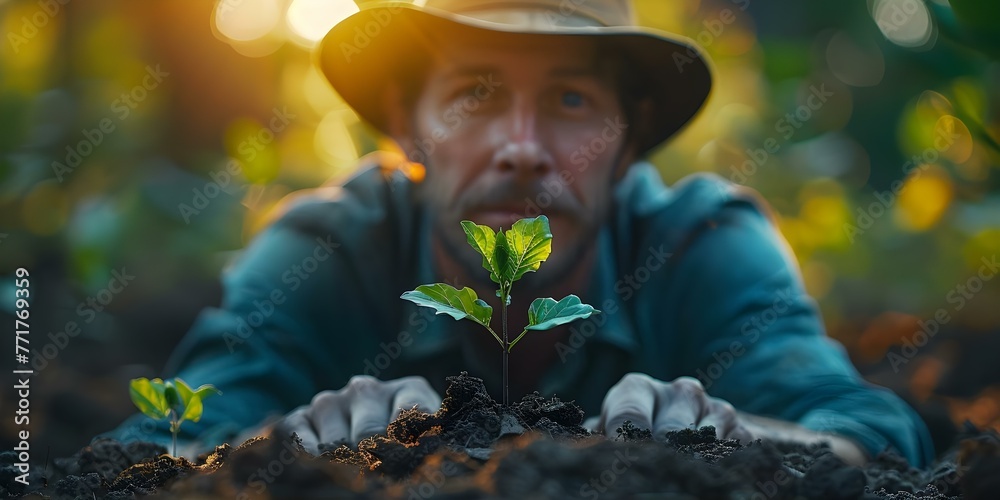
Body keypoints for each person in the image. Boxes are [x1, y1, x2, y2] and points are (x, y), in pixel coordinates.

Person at [106, 0, 933, 467]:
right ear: (407, 125)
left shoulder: (702, 243)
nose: (524, 149)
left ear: (629, 140)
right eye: (476, 93)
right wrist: (291, 444)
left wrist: (738, 437)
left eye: (571, 101)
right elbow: (148, 451)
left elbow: (876, 439)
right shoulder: (324, 252)